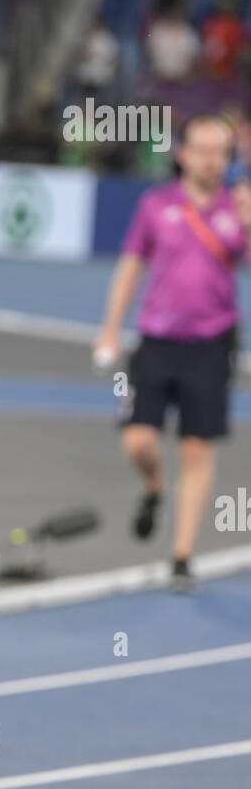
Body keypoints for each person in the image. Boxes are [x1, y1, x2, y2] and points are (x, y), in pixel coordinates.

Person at [94, 113, 251, 588]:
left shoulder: (236, 207)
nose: (210, 160)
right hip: (157, 340)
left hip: (212, 344)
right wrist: (110, 328)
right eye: (201, 149)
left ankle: (182, 557)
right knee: (139, 440)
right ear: (182, 153)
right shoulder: (156, 204)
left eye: (220, 152)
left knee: (197, 449)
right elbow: (130, 266)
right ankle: (155, 485)